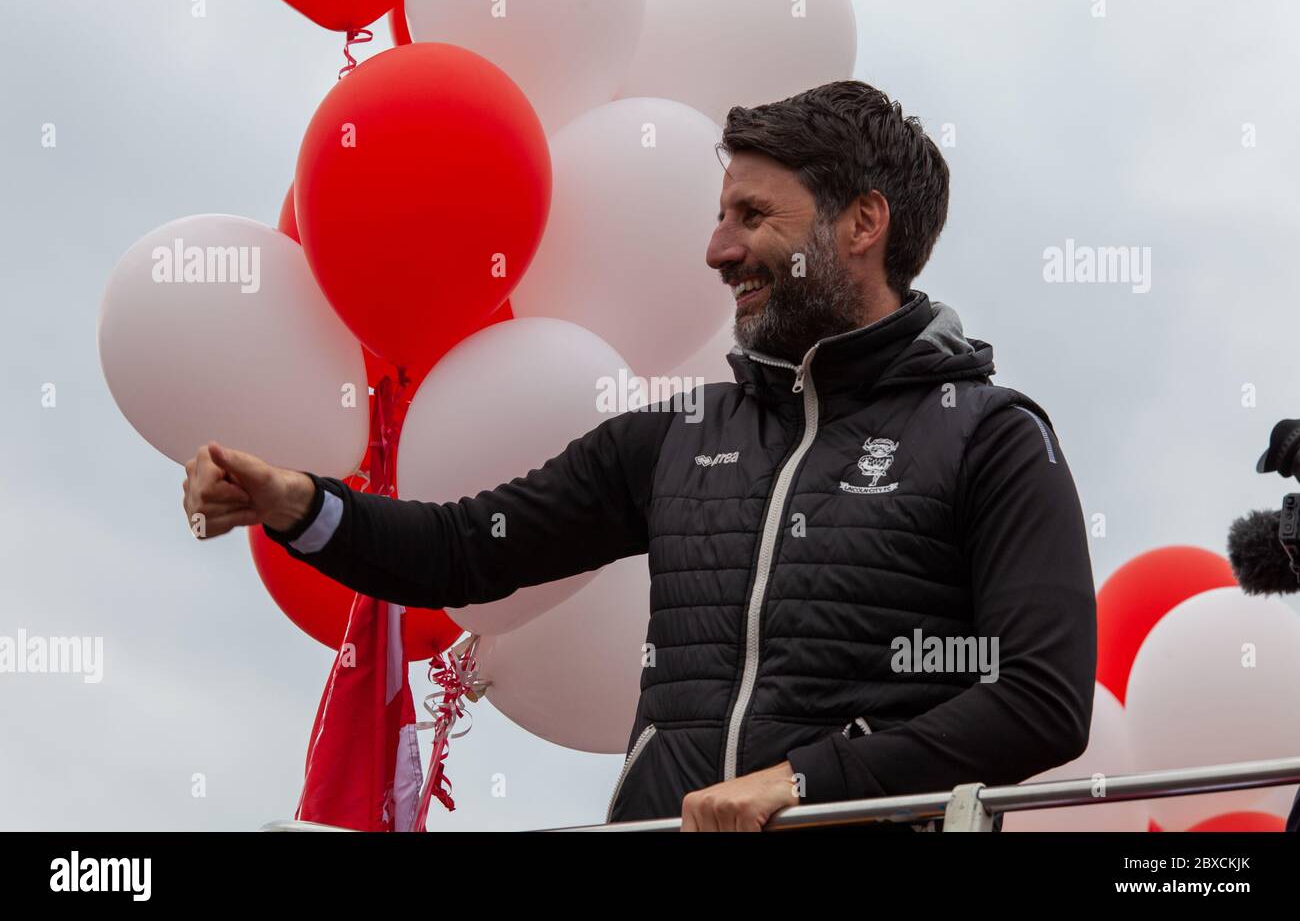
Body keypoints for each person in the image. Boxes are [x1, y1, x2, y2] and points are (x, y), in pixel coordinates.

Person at [184, 80, 1097, 832]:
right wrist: (302, 504)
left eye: (751, 215)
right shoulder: (677, 436)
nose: (717, 247)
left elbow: (1041, 699)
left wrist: (808, 781)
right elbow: (464, 549)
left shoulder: (993, 437)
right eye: (719, 214)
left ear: (862, 225)